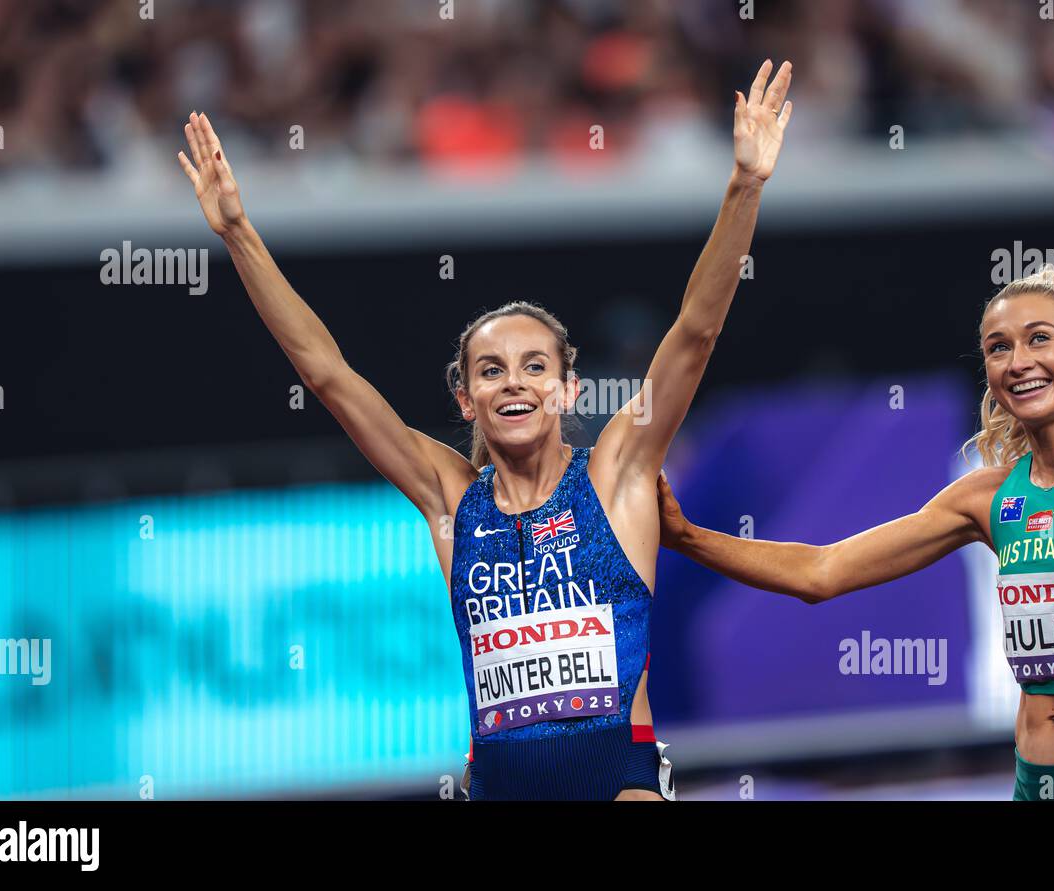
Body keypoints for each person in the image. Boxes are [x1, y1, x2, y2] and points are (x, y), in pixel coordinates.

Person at [174, 60, 795, 800]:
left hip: (617, 776)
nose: (514, 383)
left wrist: (744, 187)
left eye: (534, 366)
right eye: (492, 370)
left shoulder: (617, 472)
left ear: (567, 388)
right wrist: (239, 231)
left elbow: (695, 330)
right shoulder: (450, 498)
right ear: (465, 398)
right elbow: (328, 375)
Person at [656, 265, 1054, 800]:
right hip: (1033, 786)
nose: (1019, 361)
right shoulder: (985, 498)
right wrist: (687, 537)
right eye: (999, 348)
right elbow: (822, 571)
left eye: (1039, 338)